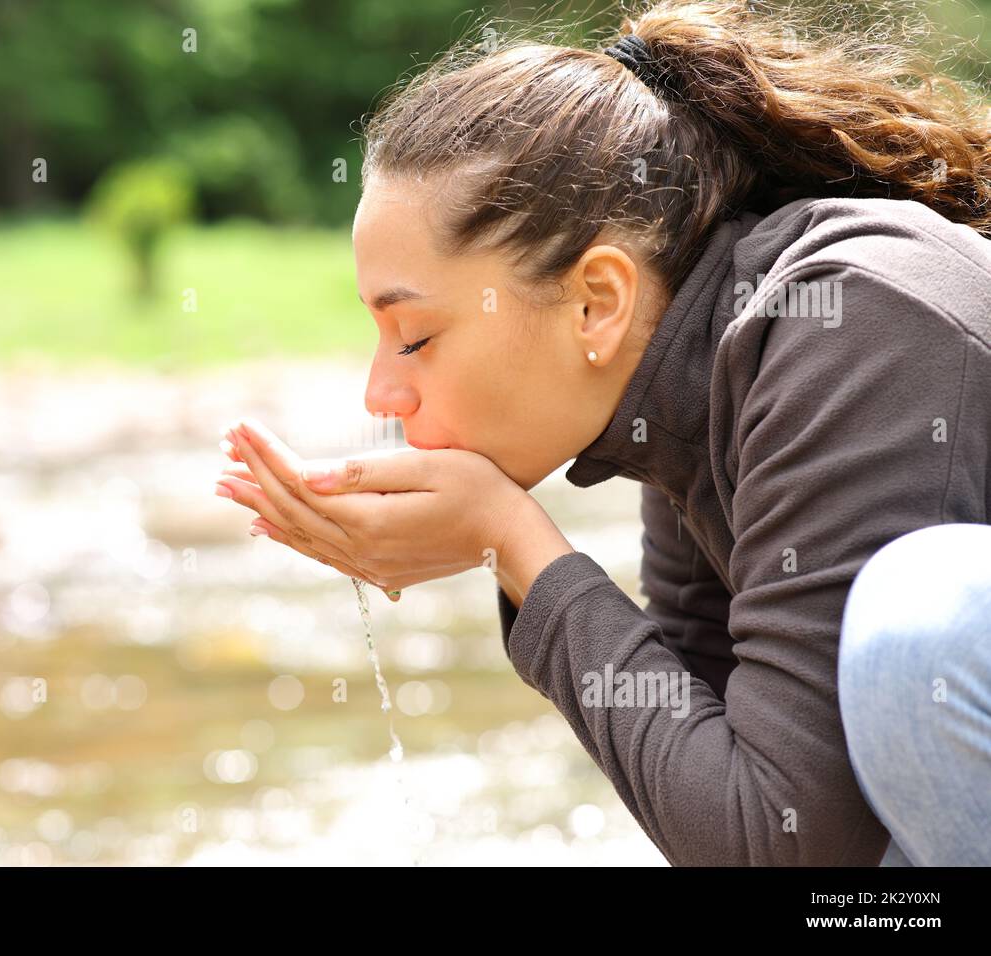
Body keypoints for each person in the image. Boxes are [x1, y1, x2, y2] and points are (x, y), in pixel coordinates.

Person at [213, 0, 991, 865]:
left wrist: (513, 542)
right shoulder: (688, 383)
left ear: (598, 302)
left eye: (417, 337)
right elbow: (718, 797)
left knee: (924, 619)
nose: (381, 393)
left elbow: (785, 841)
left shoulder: (853, 323)